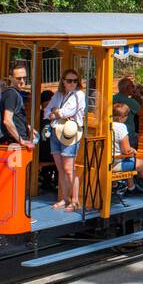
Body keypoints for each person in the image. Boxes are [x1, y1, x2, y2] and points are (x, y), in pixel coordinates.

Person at [44, 69, 86, 211]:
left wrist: (57, 112)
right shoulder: (59, 94)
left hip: (70, 134)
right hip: (56, 132)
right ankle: (65, 198)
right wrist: (55, 112)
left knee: (69, 169)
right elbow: (46, 111)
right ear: (63, 81)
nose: (72, 83)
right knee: (60, 168)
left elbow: (67, 112)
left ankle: (75, 200)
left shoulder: (79, 94)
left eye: (75, 80)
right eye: (69, 81)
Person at [0, 66, 34, 148]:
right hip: (15, 143)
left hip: (17, 142)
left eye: (24, 78)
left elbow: (15, 117)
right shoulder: (11, 94)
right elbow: (7, 121)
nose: (22, 81)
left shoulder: (13, 93)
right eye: (18, 78)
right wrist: (21, 140)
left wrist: (27, 126)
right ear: (10, 78)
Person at [112, 76, 142, 147]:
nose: (133, 88)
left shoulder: (112, 98)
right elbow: (142, 113)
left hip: (113, 132)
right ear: (127, 88)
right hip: (128, 135)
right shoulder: (131, 102)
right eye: (132, 86)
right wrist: (137, 96)